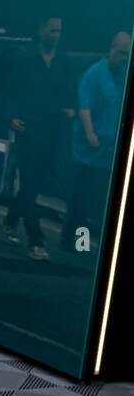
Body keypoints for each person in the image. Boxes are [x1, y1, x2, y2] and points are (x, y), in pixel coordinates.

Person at [3, 16, 75, 262]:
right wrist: (11, 117)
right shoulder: (24, 58)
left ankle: (10, 219)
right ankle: (36, 241)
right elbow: (9, 92)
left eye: (59, 31)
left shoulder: (63, 63)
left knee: (32, 185)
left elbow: (70, 94)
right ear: (41, 29)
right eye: (52, 30)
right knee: (30, 183)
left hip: (51, 132)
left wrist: (70, 110)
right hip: (27, 130)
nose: (56, 35)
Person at [66, 31, 130, 244]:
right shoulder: (95, 73)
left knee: (97, 200)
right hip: (89, 150)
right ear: (111, 49)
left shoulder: (124, 76)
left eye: (128, 54)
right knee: (81, 199)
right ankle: (72, 241)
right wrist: (90, 133)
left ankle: (85, 242)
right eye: (121, 52)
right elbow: (84, 106)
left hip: (109, 151)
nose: (124, 58)